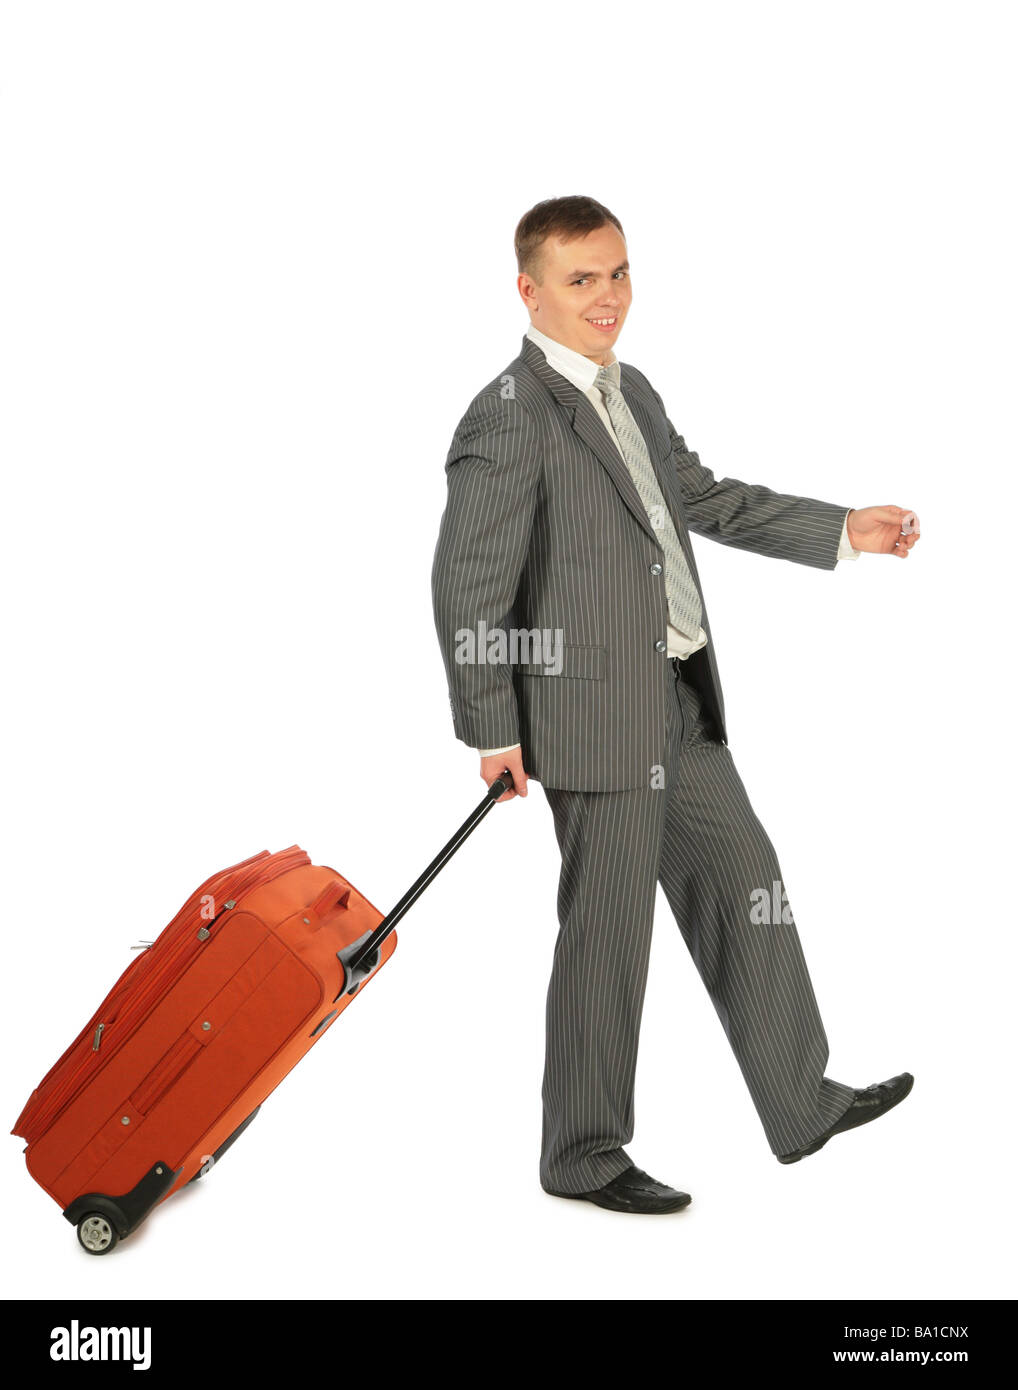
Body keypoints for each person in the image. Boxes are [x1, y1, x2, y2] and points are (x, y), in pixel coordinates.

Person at [431, 194, 916, 1215]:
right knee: (609, 937)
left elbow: (703, 498)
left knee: (748, 878)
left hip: (677, 703)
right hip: (589, 722)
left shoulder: (631, 389)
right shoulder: (507, 416)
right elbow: (468, 582)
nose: (607, 297)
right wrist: (494, 727)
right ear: (529, 291)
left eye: (617, 273)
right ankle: (583, 1154)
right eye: (580, 280)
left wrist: (841, 532)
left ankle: (800, 1096)